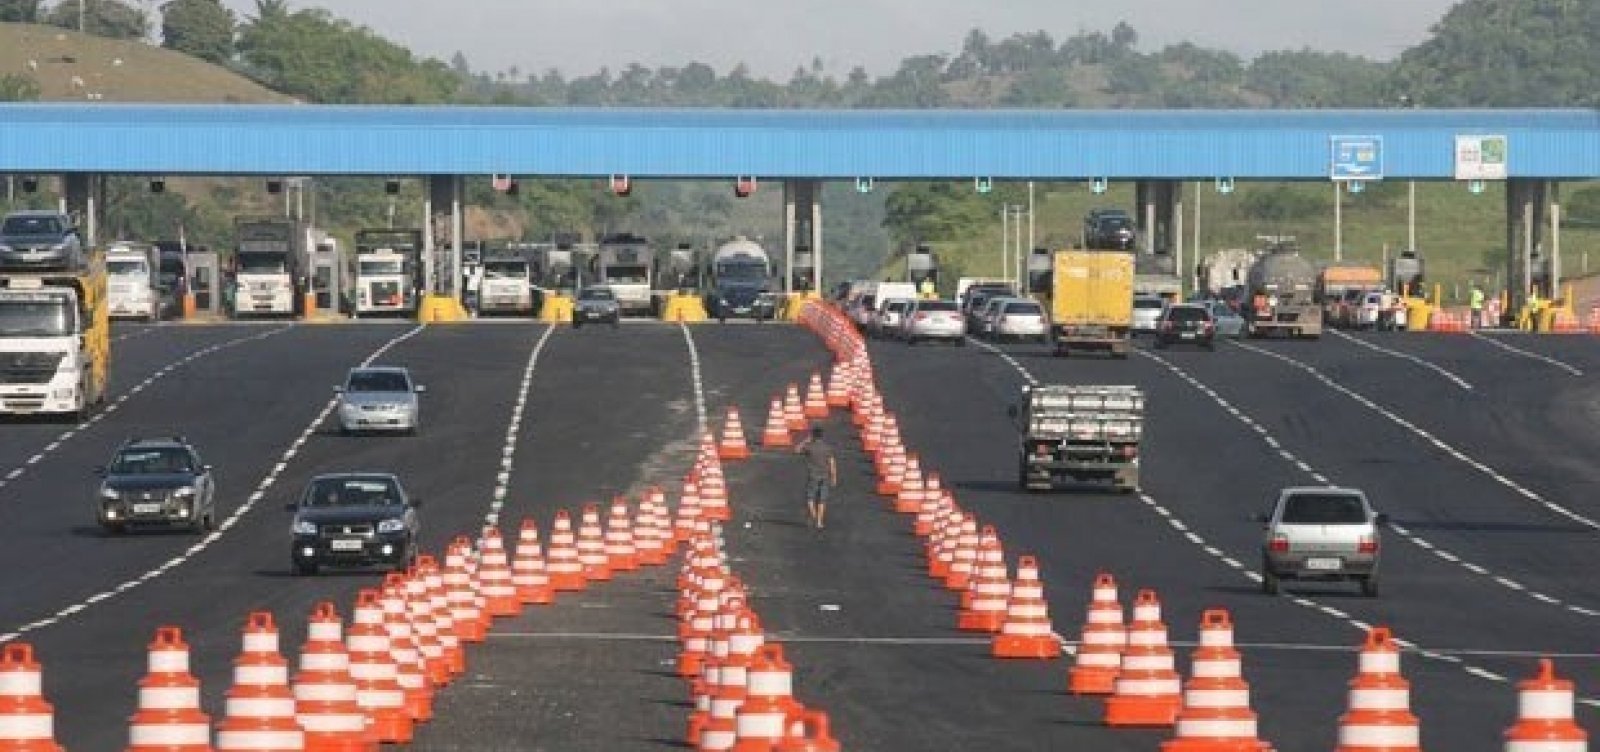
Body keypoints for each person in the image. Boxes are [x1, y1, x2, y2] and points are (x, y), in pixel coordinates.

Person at [794, 426, 837, 530]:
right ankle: (819, 522)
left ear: (813, 436)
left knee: (810, 498)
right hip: (825, 476)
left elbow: (796, 450)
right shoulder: (827, 448)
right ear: (822, 436)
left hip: (813, 476)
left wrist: (805, 440)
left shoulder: (809, 447)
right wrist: (834, 477)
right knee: (822, 500)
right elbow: (832, 464)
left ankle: (813, 515)